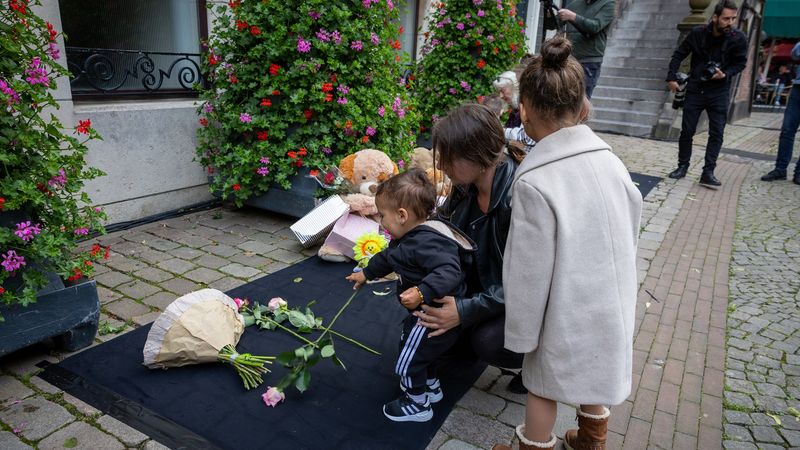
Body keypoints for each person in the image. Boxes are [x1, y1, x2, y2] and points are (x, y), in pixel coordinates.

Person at [493, 36, 642, 450]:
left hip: (564, 305)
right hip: (610, 299)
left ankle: (535, 445)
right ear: (582, 107)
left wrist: (522, 336)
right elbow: (631, 227)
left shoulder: (537, 181)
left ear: (522, 112)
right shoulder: (612, 162)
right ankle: (593, 439)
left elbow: (528, 270)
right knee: (599, 367)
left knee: (541, 383)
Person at [345, 168, 476, 423]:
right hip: (429, 313)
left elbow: (449, 272)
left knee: (409, 356)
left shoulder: (427, 243)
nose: (381, 221)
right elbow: (389, 258)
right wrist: (366, 273)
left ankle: (417, 404)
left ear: (402, 215)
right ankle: (431, 386)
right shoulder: (410, 238)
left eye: (382, 215)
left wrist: (421, 291)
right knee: (426, 354)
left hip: (431, 314)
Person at [413, 103, 526, 393]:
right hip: (484, 291)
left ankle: (536, 365)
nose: (440, 165)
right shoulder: (465, 186)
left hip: (519, 302)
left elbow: (526, 282)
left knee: (486, 341)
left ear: (476, 154)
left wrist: (463, 310)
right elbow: (445, 234)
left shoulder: (519, 196)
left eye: (448, 156)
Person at [665, 0, 748, 187]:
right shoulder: (698, 34)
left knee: (717, 133)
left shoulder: (738, 38)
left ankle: (708, 172)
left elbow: (741, 63)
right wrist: (671, 78)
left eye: (733, 18)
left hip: (719, 91)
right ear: (715, 17)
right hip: (696, 88)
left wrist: (725, 74)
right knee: (687, 131)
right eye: (726, 18)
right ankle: (682, 166)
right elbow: (679, 54)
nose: (731, 22)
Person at [557, 0, 616, 98]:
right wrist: (550, 13)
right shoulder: (576, 3)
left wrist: (573, 17)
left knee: (582, 101)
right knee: (565, 99)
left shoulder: (608, 4)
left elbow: (594, 27)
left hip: (589, 62)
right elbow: (553, 23)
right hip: (570, 60)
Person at [761, 41, 800, 185]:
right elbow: (795, 53)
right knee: (787, 131)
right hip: (798, 88)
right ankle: (780, 169)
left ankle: (799, 172)